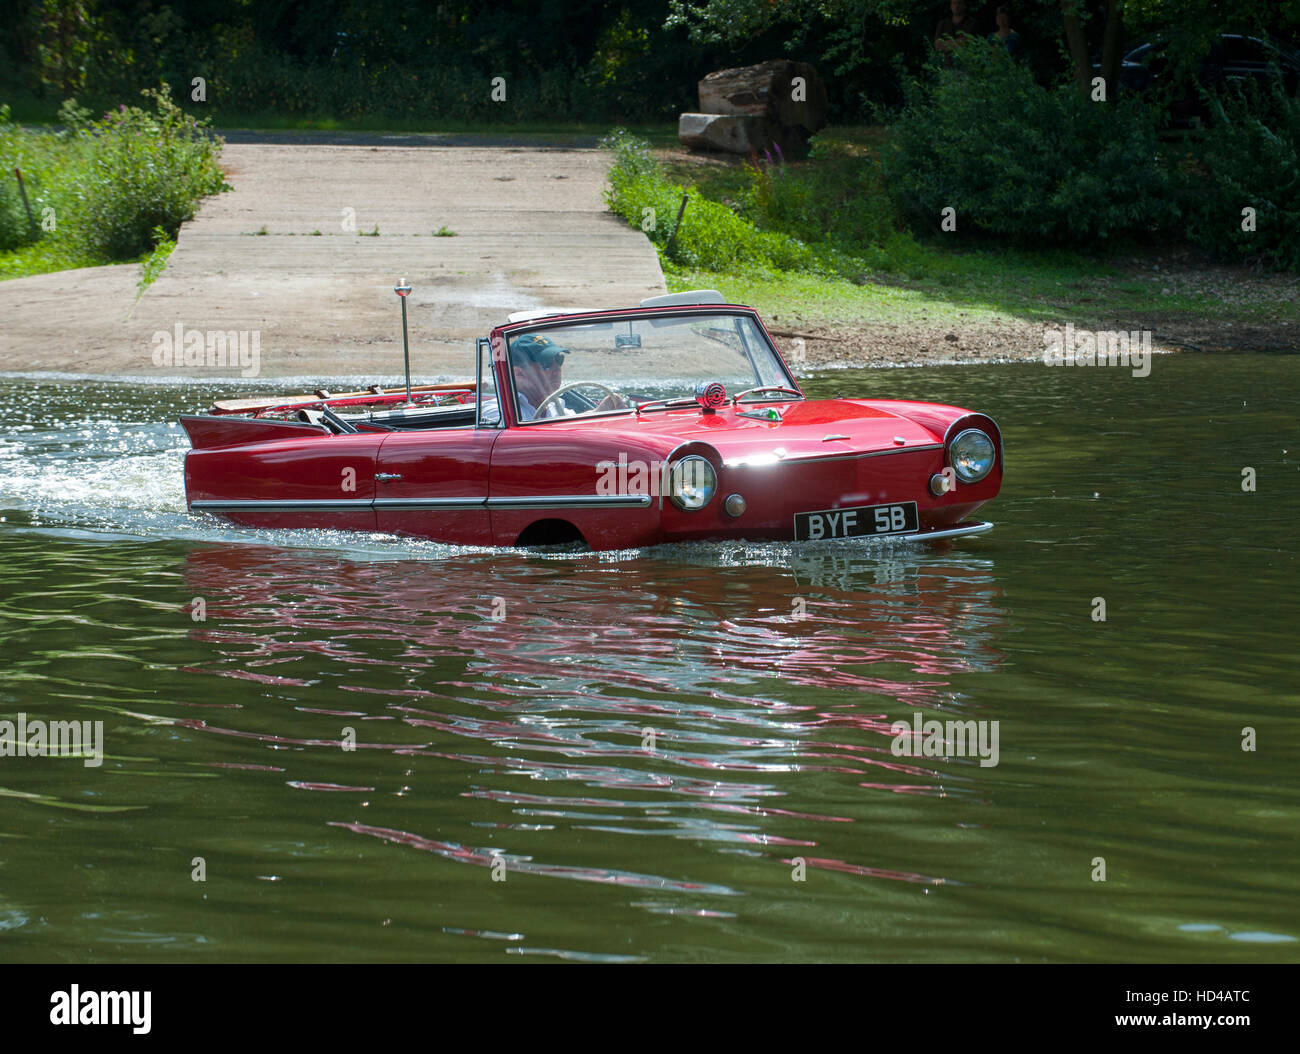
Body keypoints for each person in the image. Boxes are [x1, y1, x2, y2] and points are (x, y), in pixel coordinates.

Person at [509, 333, 629, 420]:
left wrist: (601, 412)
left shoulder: (556, 406)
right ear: (519, 373)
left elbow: (573, 424)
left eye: (559, 360)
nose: (557, 369)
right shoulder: (500, 413)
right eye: (546, 364)